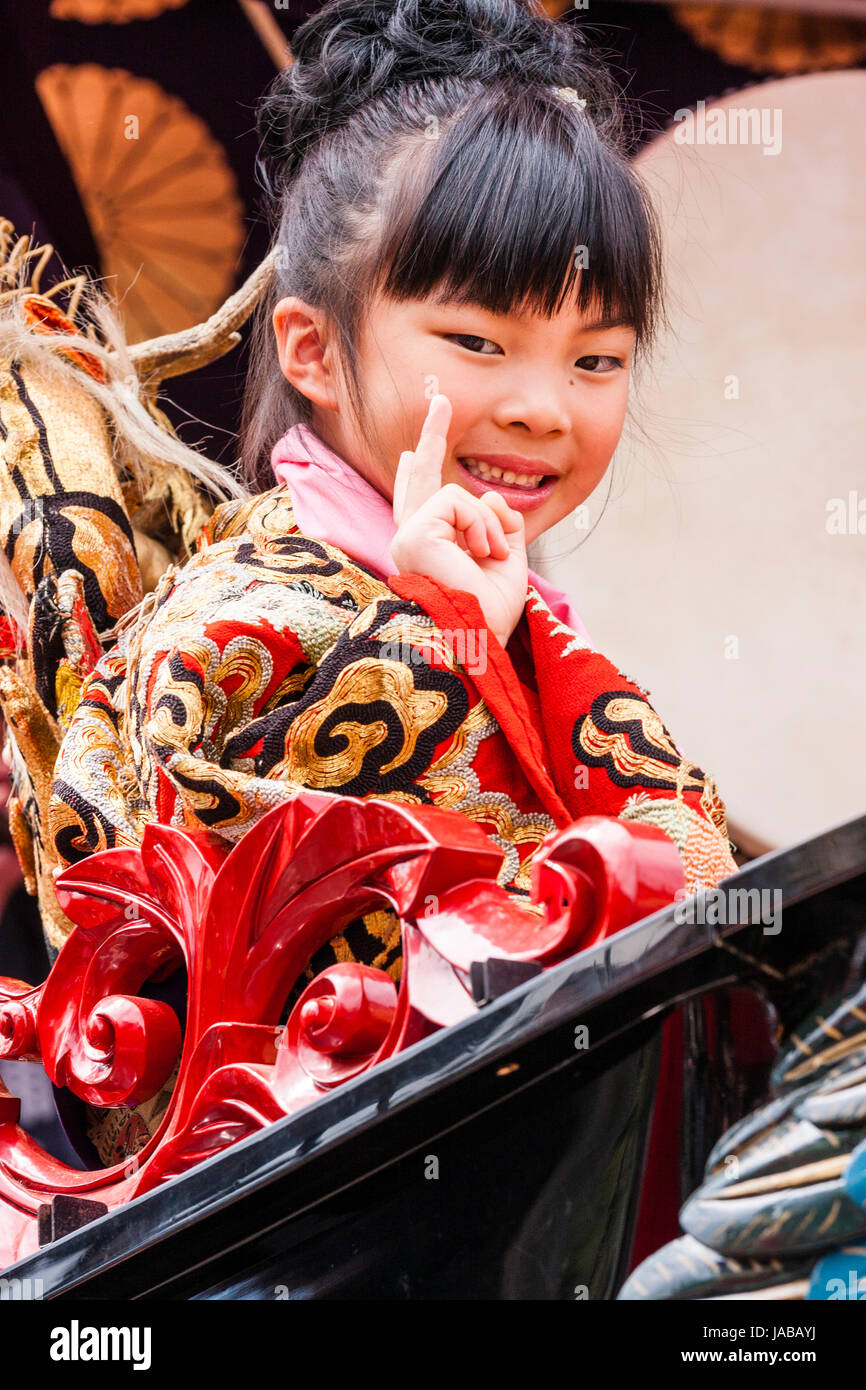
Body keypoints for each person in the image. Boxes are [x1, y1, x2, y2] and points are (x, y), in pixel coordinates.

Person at [46, 0, 737, 1162]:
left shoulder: (508, 607)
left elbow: (682, 874)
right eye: (478, 342)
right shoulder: (234, 613)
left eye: (595, 358)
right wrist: (441, 642)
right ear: (313, 350)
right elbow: (221, 940)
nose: (543, 406)